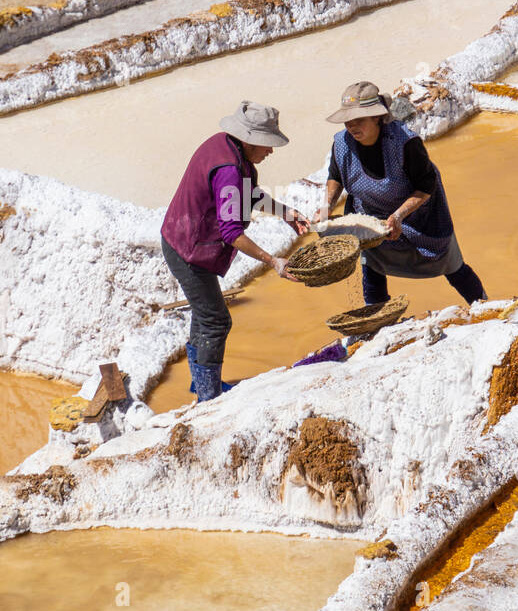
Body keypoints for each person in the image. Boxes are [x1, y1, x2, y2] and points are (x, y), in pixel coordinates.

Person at [161, 101, 309, 401]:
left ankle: (200, 383)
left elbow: (249, 195)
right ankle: (208, 398)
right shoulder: (228, 169)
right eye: (267, 145)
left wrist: (285, 213)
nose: (270, 151)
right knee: (217, 321)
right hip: (189, 250)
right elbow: (231, 234)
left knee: (205, 316)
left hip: (182, 237)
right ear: (250, 139)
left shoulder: (225, 146)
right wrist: (273, 261)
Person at [312, 81, 485, 306]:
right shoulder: (342, 144)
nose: (352, 126)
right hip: (372, 216)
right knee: (372, 267)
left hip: (420, 215)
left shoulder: (404, 142)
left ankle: (482, 305)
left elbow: (426, 185)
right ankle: (376, 318)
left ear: (376, 117)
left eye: (359, 120)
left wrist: (398, 216)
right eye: (348, 120)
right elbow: (335, 176)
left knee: (450, 264)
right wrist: (326, 205)